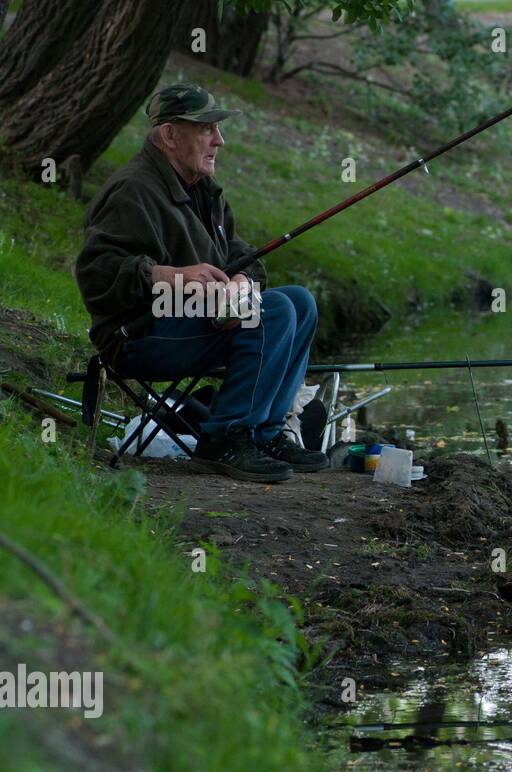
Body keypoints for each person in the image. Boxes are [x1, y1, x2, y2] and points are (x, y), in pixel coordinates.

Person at [75, 83, 327, 482]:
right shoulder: (133, 190)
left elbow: (244, 256)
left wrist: (242, 281)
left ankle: (265, 434)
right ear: (170, 135)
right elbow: (96, 272)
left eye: (217, 129)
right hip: (138, 333)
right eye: (207, 128)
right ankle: (225, 438)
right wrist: (171, 276)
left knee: (300, 301)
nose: (219, 140)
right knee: (273, 311)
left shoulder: (204, 191)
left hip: (191, 319)